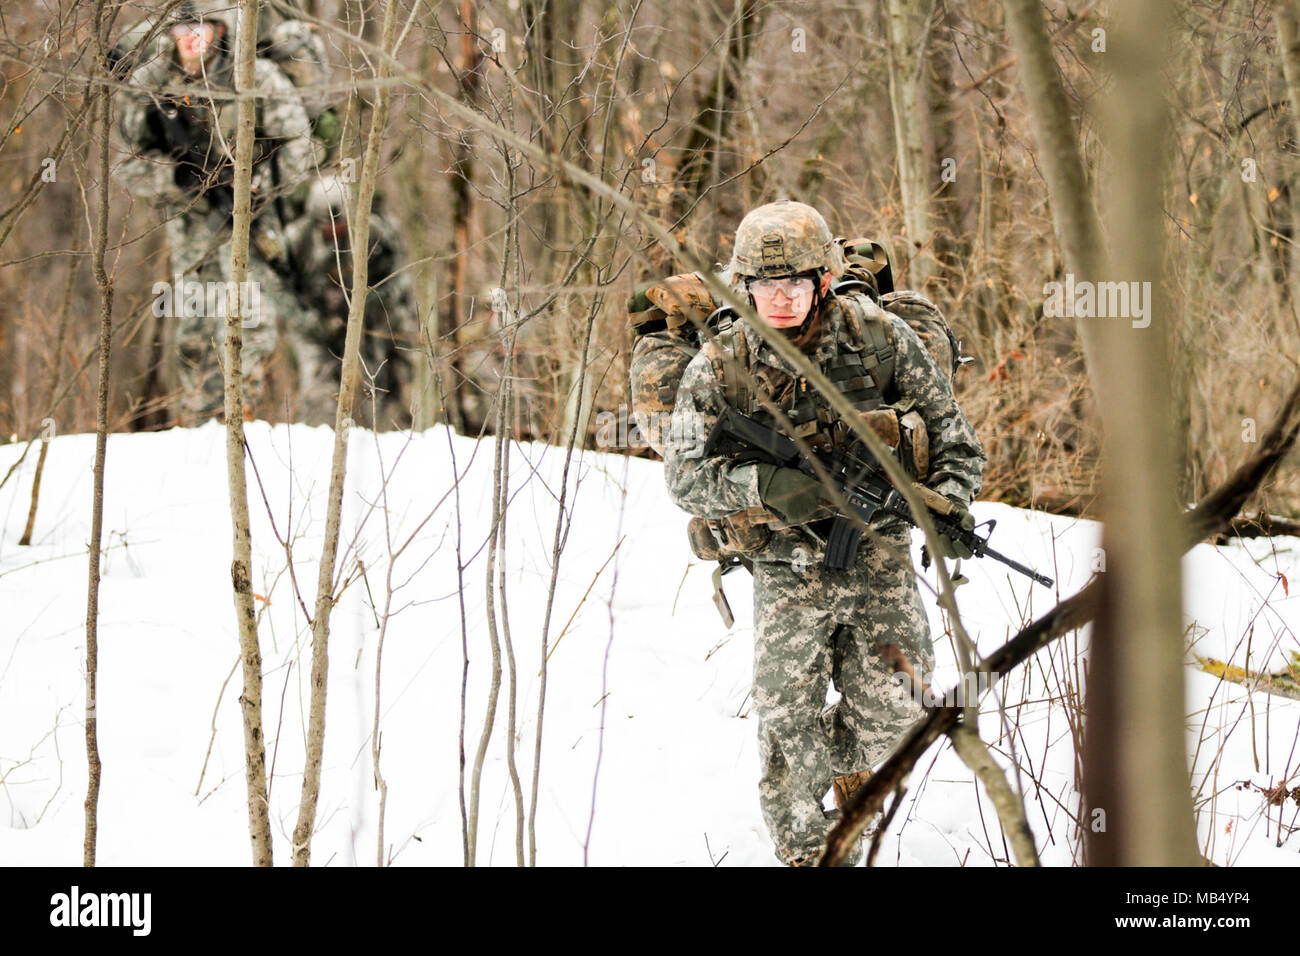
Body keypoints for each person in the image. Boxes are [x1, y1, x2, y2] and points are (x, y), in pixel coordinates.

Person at [661, 200, 987, 865]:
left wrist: (949, 506)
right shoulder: (723, 361)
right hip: (785, 564)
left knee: (901, 712)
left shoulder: (882, 338)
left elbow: (955, 439)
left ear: (823, 281)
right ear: (744, 288)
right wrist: (765, 487)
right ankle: (808, 852)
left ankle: (848, 763)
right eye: (762, 287)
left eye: (792, 285)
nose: (777, 300)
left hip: (877, 553)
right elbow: (683, 475)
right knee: (786, 723)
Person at [113, 1, 323, 423]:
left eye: (202, 29)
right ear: (170, 35)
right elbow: (126, 161)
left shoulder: (256, 77)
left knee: (250, 314)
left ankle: (241, 412)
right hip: (189, 219)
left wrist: (258, 185)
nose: (191, 39)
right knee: (192, 318)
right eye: (182, 30)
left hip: (248, 214)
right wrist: (175, 182)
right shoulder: (151, 82)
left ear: (220, 32)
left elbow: (303, 146)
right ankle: (198, 417)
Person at [283, 174, 416, 428]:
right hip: (316, 326)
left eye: (338, 223)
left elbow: (399, 279)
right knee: (317, 391)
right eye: (324, 224)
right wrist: (310, 320)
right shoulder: (296, 241)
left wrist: (367, 305)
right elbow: (281, 290)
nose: (332, 230)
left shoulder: (376, 234)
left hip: (368, 323)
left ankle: (380, 438)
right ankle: (317, 438)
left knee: (375, 385)